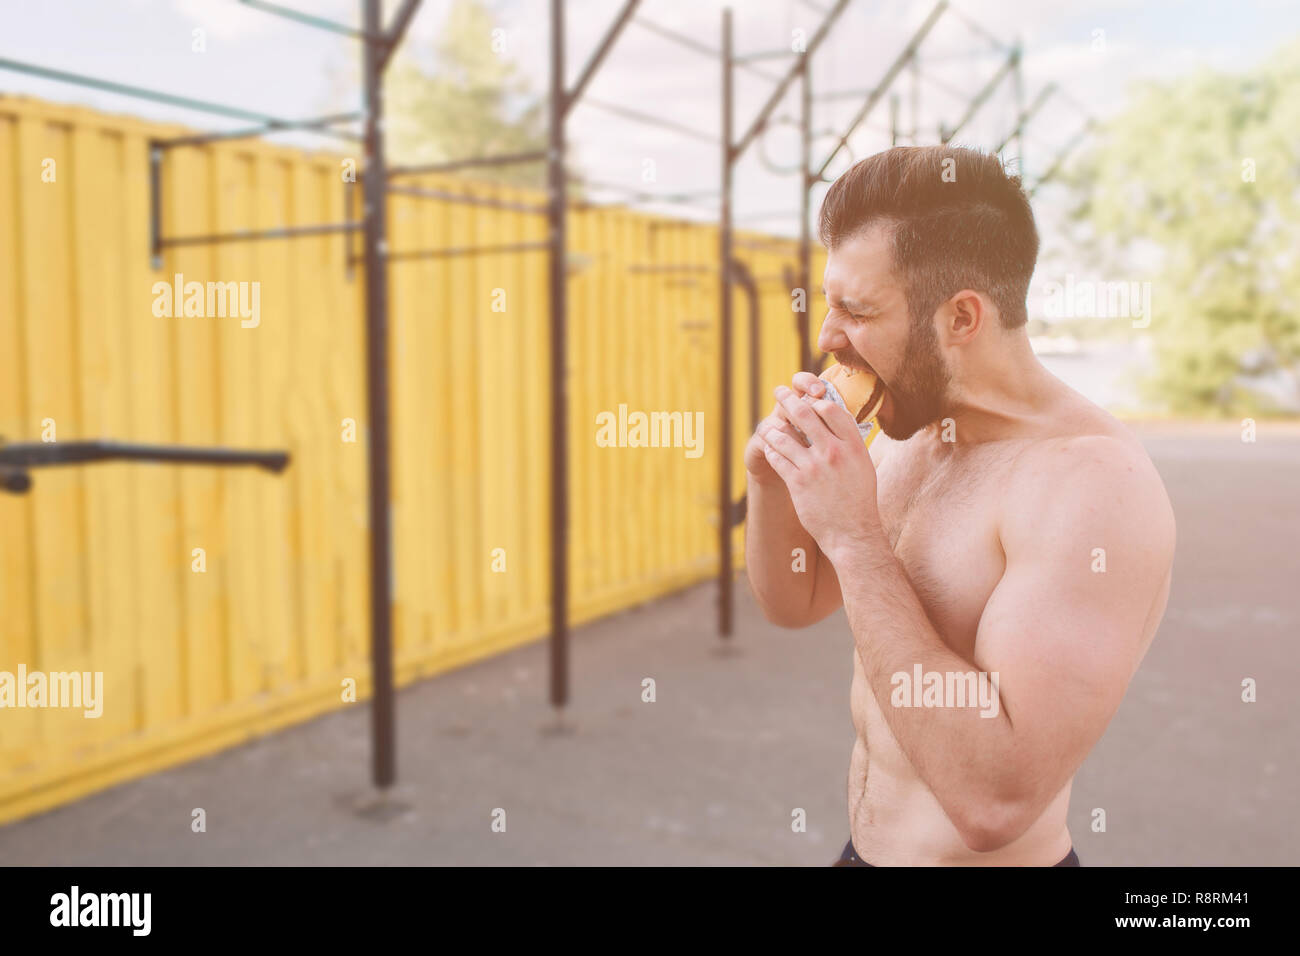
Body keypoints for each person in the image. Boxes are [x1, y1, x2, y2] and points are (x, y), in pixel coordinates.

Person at [743, 145, 1176, 866]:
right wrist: (771, 480)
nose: (826, 339)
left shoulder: (1094, 487)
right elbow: (794, 600)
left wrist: (853, 537)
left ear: (962, 318)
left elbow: (992, 803)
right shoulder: (908, 425)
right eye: (829, 305)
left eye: (857, 311)